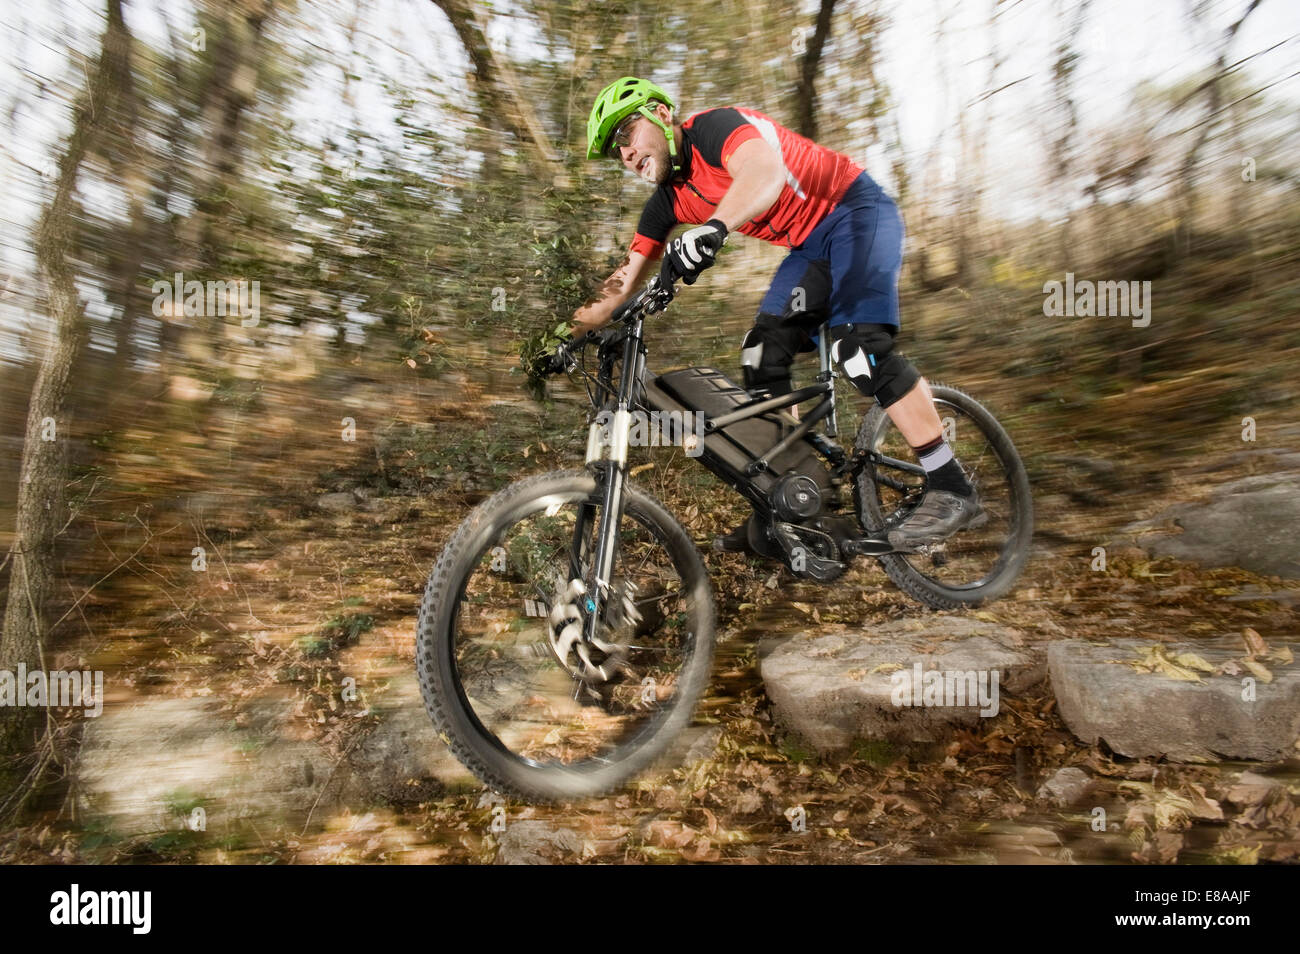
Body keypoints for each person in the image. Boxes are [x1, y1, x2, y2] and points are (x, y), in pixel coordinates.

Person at [571, 76, 983, 553]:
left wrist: (714, 228)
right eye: (613, 150)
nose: (623, 154)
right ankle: (795, 494)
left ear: (662, 116)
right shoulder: (667, 201)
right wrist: (564, 333)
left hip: (855, 210)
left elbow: (763, 173)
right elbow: (620, 284)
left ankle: (950, 484)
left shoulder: (716, 129)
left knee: (859, 348)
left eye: (625, 133)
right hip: (811, 247)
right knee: (761, 354)